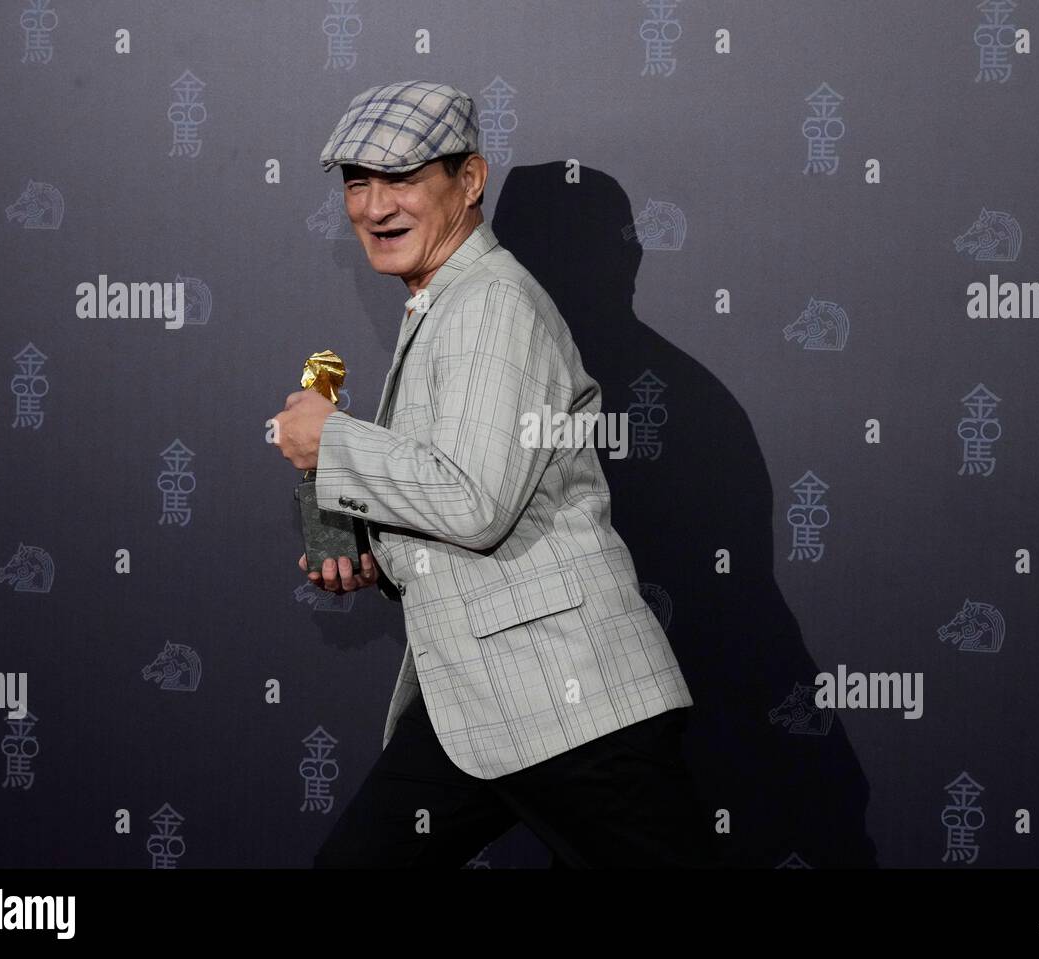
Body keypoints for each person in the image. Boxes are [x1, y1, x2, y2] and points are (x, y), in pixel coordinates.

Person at [271, 80, 718, 868]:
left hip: (572, 702)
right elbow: (482, 491)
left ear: (470, 181)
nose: (375, 207)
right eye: (357, 182)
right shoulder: (445, 304)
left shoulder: (490, 303)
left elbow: (473, 502)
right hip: (480, 701)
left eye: (402, 178)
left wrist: (333, 442)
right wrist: (380, 554)